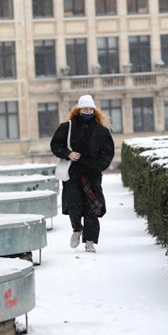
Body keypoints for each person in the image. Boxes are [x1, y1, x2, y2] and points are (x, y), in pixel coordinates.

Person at [50, 94, 114, 253]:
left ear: (94, 110)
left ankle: (90, 241)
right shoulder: (67, 126)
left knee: (92, 208)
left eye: (90, 108)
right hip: (73, 173)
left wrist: (99, 166)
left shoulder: (101, 130)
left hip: (92, 175)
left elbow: (108, 152)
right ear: (78, 109)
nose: (87, 111)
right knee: (74, 205)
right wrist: (67, 153)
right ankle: (77, 229)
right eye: (84, 108)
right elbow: (55, 144)